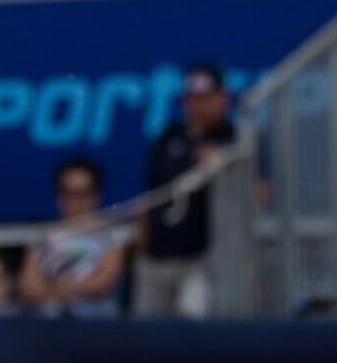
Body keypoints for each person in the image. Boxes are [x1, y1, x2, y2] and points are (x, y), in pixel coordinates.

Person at [136, 66, 235, 320]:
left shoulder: (235, 138)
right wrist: (142, 249)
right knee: (147, 335)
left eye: (206, 99)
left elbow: (260, 193)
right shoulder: (169, 136)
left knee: (192, 332)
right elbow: (151, 194)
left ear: (223, 98)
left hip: (202, 259)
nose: (198, 106)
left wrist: (222, 165)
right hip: (157, 257)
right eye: (192, 99)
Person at [17, 159, 127, 319]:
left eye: (83, 193)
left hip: (97, 321)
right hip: (48, 323)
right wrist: (58, 293)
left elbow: (105, 282)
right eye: (68, 193)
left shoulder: (113, 234)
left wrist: (60, 289)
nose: (76, 202)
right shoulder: (42, 236)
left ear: (97, 195)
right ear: (58, 196)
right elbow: (28, 286)